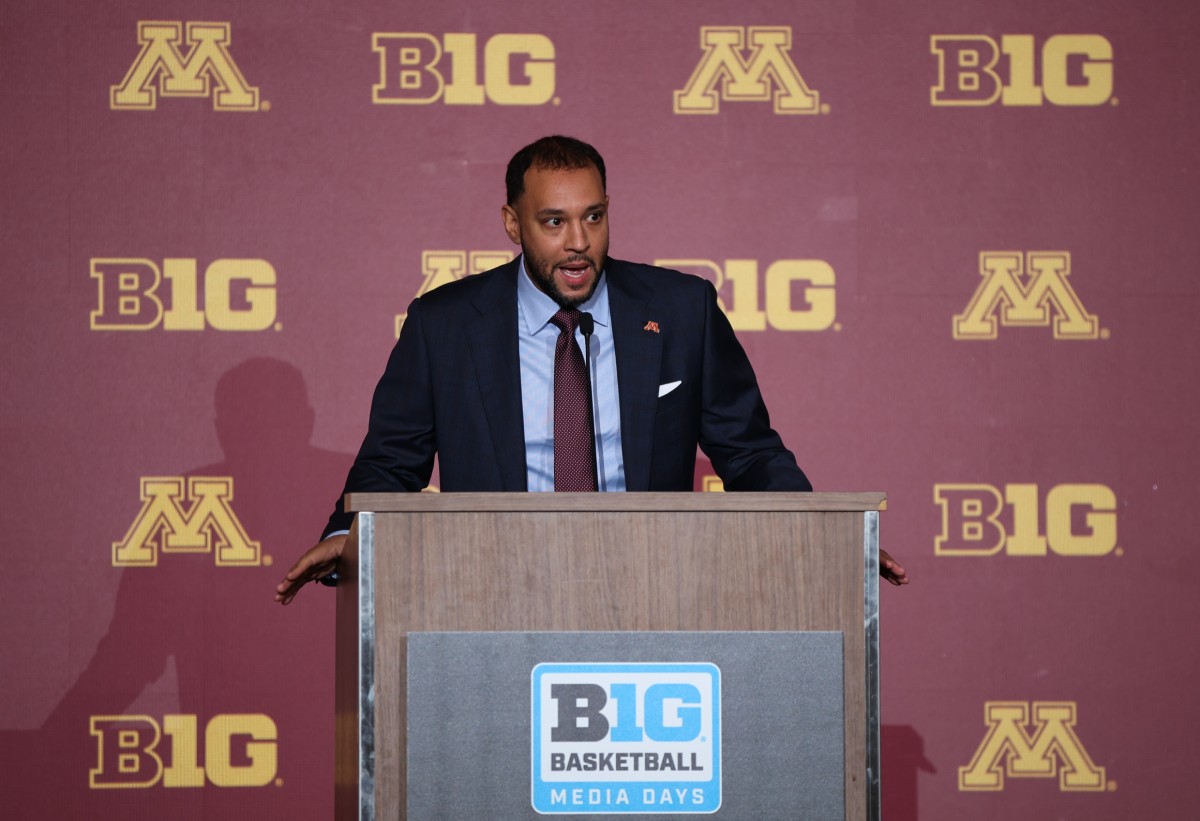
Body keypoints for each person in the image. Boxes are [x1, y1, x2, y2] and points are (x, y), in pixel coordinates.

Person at [275, 135, 907, 604]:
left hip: (654, 595)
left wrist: (827, 538)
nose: (578, 242)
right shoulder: (444, 325)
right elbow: (393, 461)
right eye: (553, 222)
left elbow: (748, 451)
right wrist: (346, 533)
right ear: (512, 224)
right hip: (496, 595)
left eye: (593, 217)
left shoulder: (681, 310)